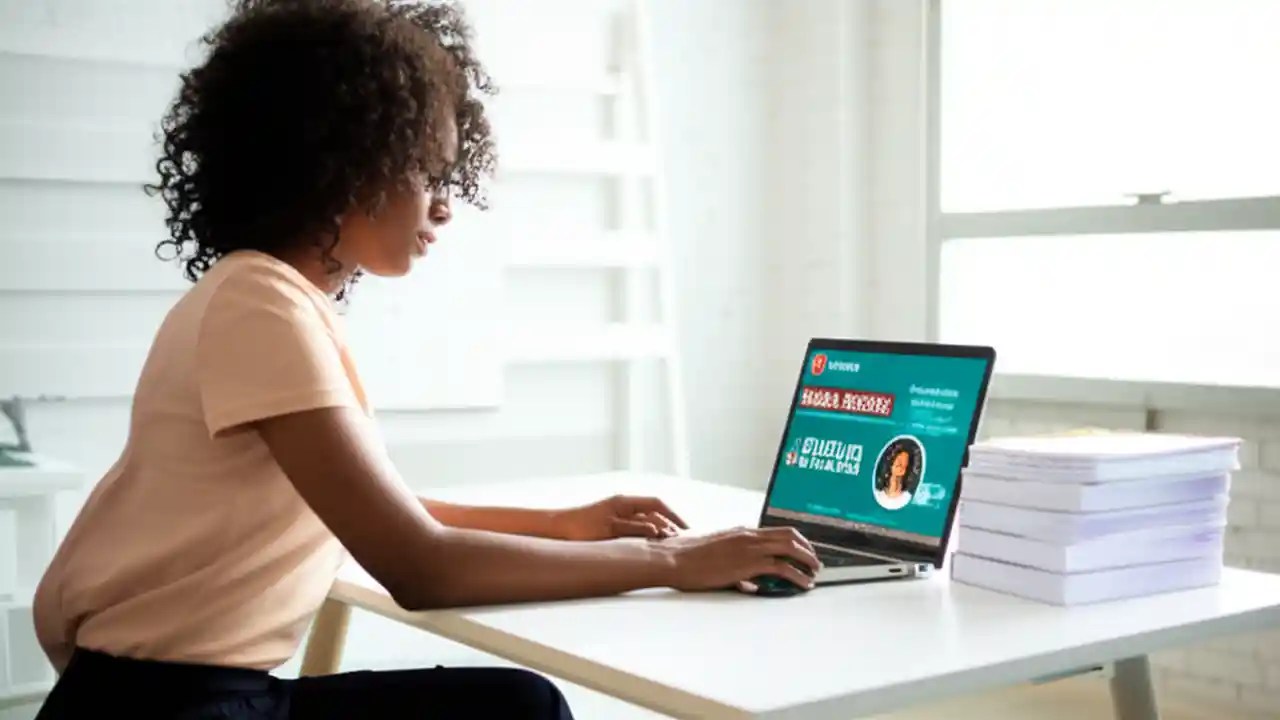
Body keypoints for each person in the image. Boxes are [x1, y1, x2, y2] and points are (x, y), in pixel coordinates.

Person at [29, 1, 819, 718]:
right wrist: (670, 560)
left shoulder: (264, 297)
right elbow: (417, 563)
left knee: (513, 704)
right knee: (515, 711)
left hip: (174, 696)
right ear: (343, 164)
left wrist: (567, 526)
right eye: (427, 173)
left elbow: (374, 514)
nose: (445, 204)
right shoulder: (259, 307)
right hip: (165, 708)